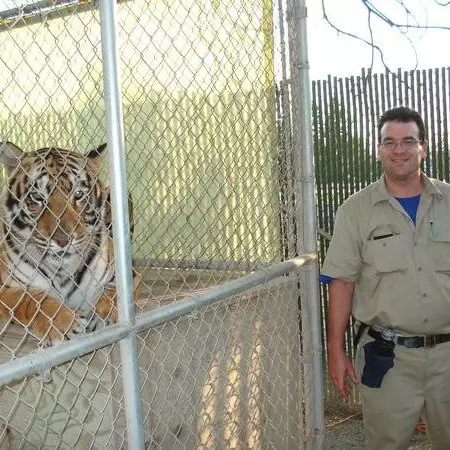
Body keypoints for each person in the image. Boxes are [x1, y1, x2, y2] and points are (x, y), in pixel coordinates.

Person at [321, 106, 450, 450]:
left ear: (424, 147)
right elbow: (342, 281)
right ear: (378, 149)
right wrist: (336, 349)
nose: (399, 150)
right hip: (389, 358)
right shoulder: (355, 210)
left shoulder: (449, 201)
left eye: (409, 141)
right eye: (389, 142)